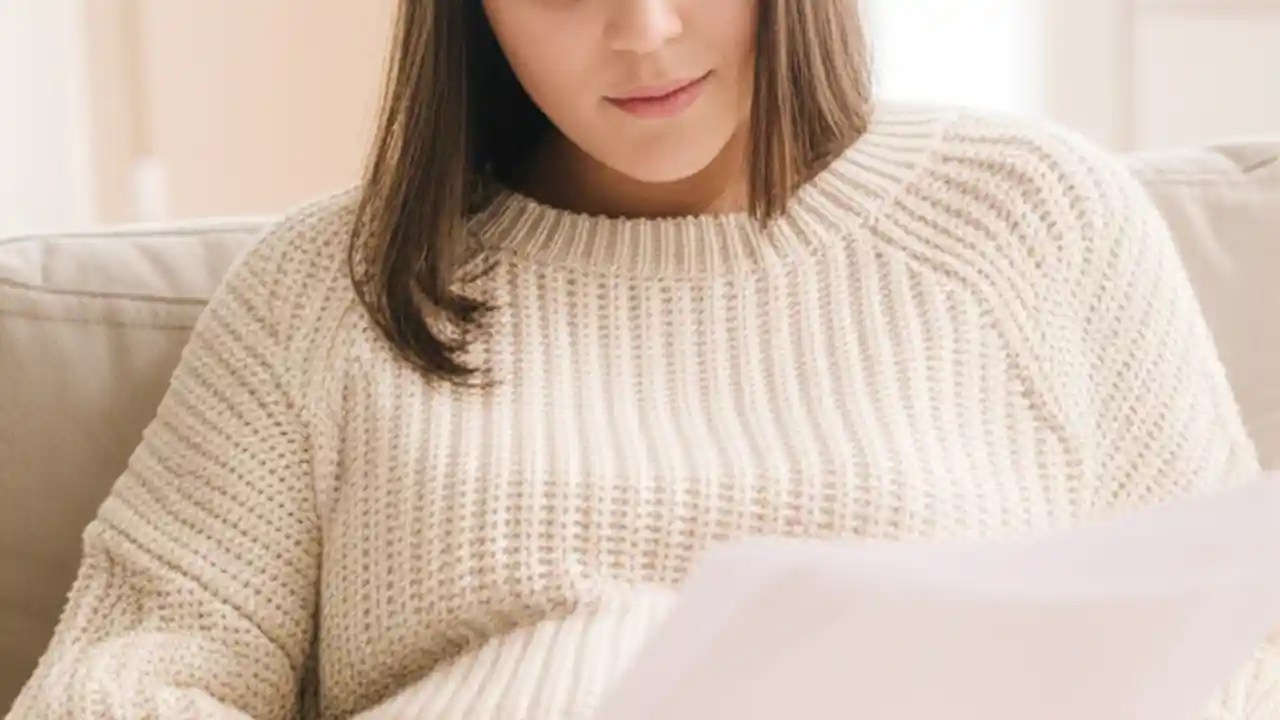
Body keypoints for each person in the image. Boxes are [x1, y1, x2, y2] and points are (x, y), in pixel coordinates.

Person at [10, 0, 1269, 718]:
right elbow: (117, 689)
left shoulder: (1030, 217)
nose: (646, 31)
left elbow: (1234, 663)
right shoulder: (326, 296)